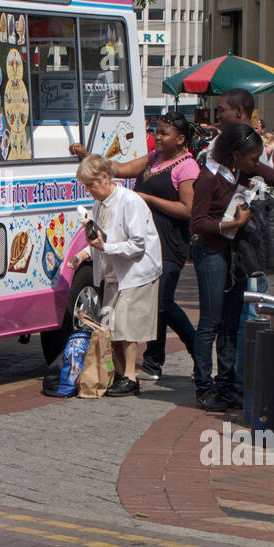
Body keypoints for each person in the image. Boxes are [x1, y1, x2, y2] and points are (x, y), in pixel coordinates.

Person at [71, 113, 199, 383]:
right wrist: (87, 156)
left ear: (181, 138)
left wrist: (148, 198)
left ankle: (190, 351)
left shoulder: (186, 166)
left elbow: (188, 209)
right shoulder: (153, 159)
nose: (159, 137)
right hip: (134, 235)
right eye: (158, 131)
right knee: (138, 310)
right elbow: (116, 169)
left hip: (167, 240)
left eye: (165, 133)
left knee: (161, 303)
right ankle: (150, 362)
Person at [189, 123, 274, 412]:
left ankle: (227, 384)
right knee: (211, 321)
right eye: (251, 158)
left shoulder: (241, 170)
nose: (254, 164)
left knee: (231, 322)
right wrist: (231, 224)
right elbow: (197, 223)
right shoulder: (209, 177)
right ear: (235, 154)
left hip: (234, 255)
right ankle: (204, 385)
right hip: (211, 251)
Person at [65, 154, 162, 397]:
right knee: (111, 326)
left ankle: (130, 376)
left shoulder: (129, 201)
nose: (89, 191)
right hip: (113, 272)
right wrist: (83, 255)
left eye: (91, 185)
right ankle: (120, 373)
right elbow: (100, 238)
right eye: (86, 186)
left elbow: (137, 244)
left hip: (136, 272)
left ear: (105, 177)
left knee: (126, 325)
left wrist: (104, 248)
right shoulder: (100, 204)